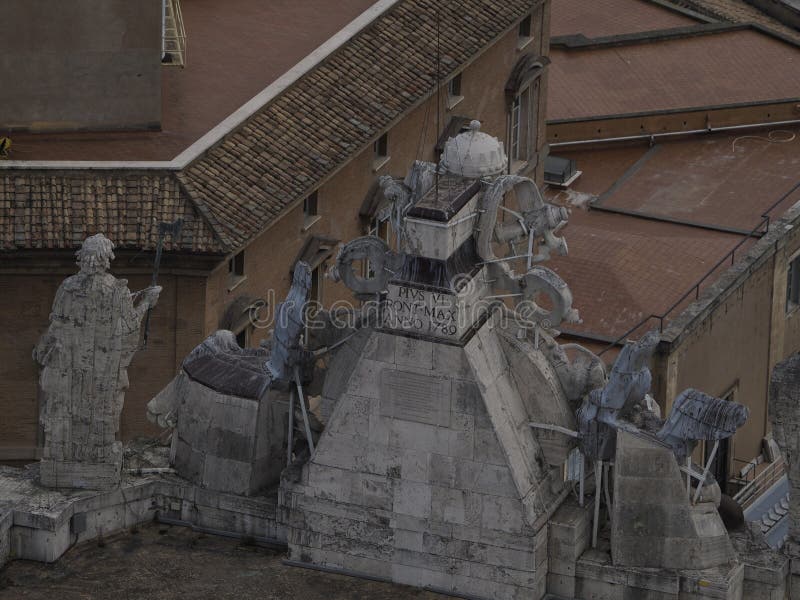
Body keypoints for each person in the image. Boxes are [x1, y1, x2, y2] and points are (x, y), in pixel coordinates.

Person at [34, 234, 161, 488]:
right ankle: (97, 458)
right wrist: (147, 302)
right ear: (106, 259)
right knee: (100, 411)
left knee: (66, 412)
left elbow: (56, 326)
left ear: (83, 257)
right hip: (101, 372)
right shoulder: (117, 290)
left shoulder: (67, 287)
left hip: (69, 370)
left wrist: (43, 349)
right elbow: (129, 327)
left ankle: (62, 457)